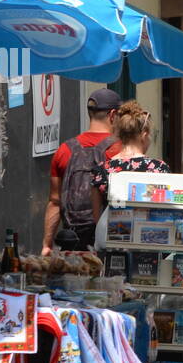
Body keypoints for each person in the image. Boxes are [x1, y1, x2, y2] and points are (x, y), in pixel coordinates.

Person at [43, 88, 123, 254]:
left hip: (71, 242)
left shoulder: (64, 150)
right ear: (113, 115)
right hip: (107, 241)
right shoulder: (119, 151)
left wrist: (47, 244)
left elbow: (55, 202)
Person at [90, 100, 171, 226]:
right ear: (144, 135)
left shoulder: (102, 170)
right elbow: (166, 211)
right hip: (148, 240)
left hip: (112, 241)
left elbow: (97, 218)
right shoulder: (159, 168)